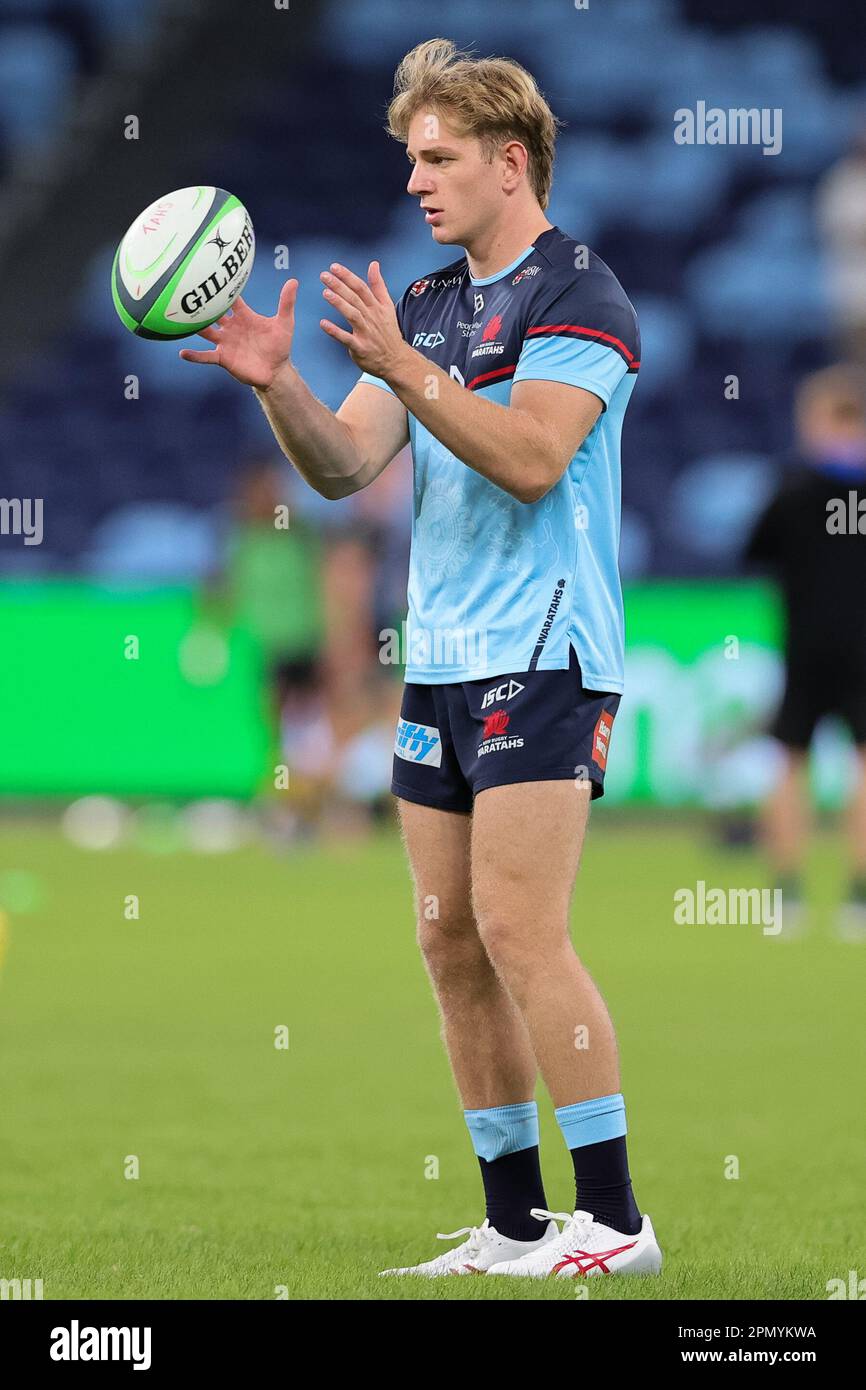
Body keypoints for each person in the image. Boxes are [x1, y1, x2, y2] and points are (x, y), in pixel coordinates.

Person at [179, 37, 660, 1280]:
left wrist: (400, 364)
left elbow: (533, 457)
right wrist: (279, 384)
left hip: (543, 650)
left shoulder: (578, 295)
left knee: (515, 926)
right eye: (408, 160)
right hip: (439, 659)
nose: (415, 182)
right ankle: (510, 1225)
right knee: (447, 939)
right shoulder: (436, 303)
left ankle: (612, 1221)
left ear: (511, 161)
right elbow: (344, 466)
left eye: (437, 159)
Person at [746, 364, 866, 943]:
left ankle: (786, 895)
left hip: (805, 647)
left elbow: (752, 551)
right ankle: (859, 900)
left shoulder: (794, 492)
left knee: (790, 763)